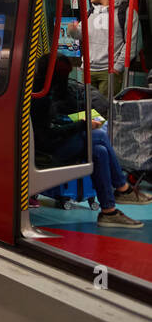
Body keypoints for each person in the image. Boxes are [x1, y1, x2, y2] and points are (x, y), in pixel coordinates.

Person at [31, 56, 146, 228]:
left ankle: (109, 211)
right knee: (98, 136)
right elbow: (47, 134)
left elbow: (67, 112)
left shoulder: (59, 90)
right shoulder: (39, 96)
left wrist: (82, 116)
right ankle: (123, 188)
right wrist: (83, 125)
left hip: (58, 141)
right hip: (46, 150)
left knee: (100, 151)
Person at [68, 0, 139, 98]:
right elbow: (80, 35)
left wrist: (118, 67)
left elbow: (131, 43)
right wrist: (72, 30)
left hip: (109, 71)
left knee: (105, 110)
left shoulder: (126, 12)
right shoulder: (90, 13)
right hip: (88, 69)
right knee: (90, 109)